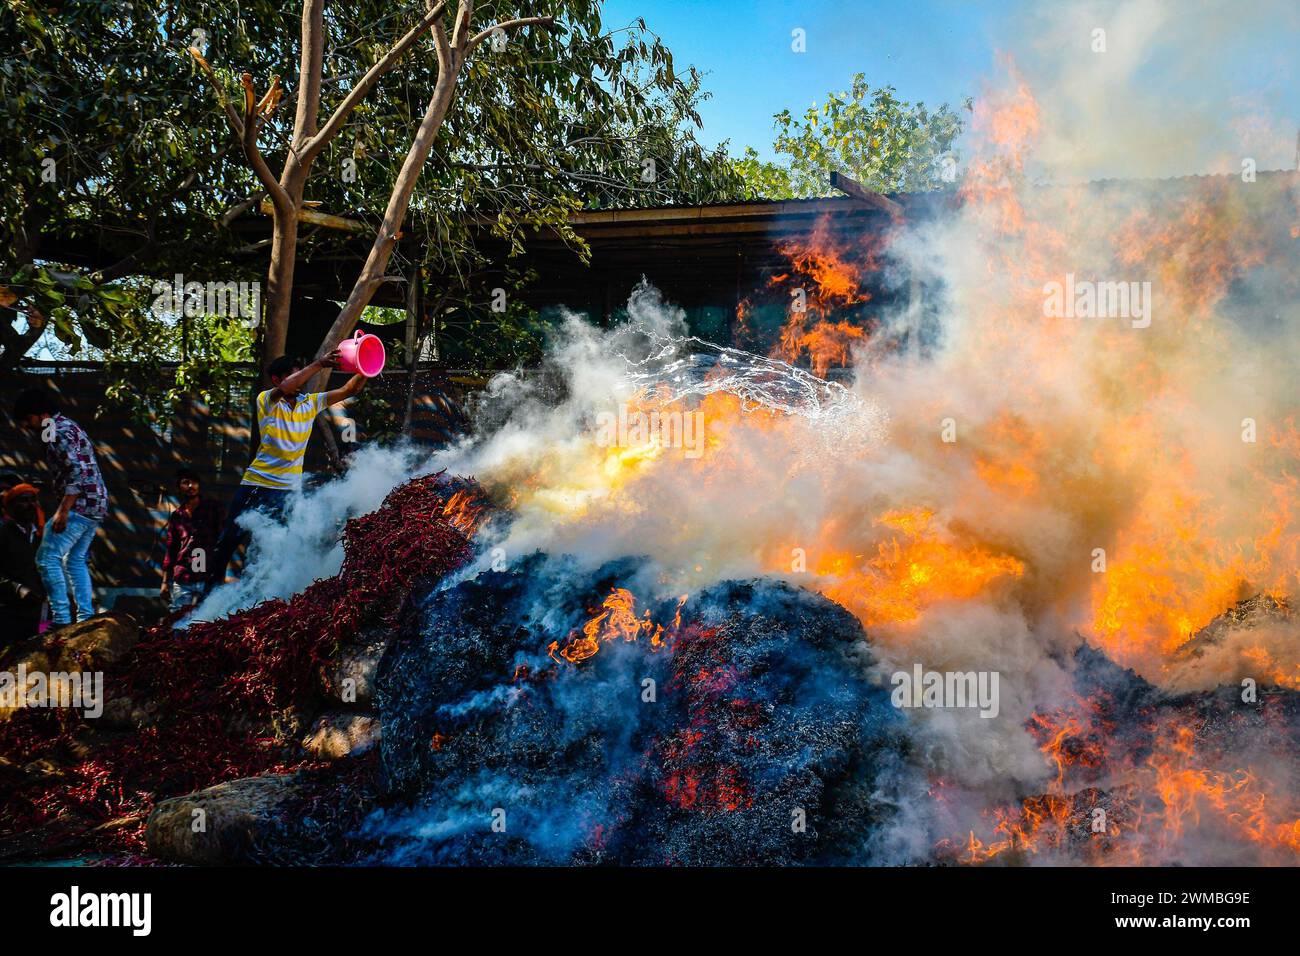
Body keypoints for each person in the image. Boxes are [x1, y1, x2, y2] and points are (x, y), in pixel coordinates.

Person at [210, 350, 365, 587]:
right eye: (296, 376)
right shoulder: (266, 400)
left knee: (278, 546)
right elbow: (288, 386)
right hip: (257, 484)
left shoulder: (309, 403)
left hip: (288, 491)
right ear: (277, 380)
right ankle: (208, 594)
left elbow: (349, 391)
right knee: (229, 539)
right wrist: (319, 364)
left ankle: (261, 597)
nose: (301, 382)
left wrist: (365, 369)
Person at [14, 387, 107, 626]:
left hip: (81, 503)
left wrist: (63, 511)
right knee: (74, 560)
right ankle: (85, 617)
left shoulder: (55, 431)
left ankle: (62, 619)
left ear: (41, 414)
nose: (27, 426)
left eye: (28, 420)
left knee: (46, 558)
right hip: (96, 503)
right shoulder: (68, 425)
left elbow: (75, 472)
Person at [160, 468, 224, 613]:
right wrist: (164, 582)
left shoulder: (212, 508)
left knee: (206, 620)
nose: (191, 486)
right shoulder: (177, 516)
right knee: (178, 618)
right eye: (185, 483)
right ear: (179, 487)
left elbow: (222, 541)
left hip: (206, 575)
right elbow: (171, 549)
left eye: (194, 482)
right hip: (183, 576)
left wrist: (220, 574)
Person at [0, 483, 47, 643]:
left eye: (33, 500)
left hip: (34, 614)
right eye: (24, 500)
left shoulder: (40, 536)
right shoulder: (4, 533)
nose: (30, 505)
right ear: (11, 507)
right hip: (7, 612)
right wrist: (17, 588)